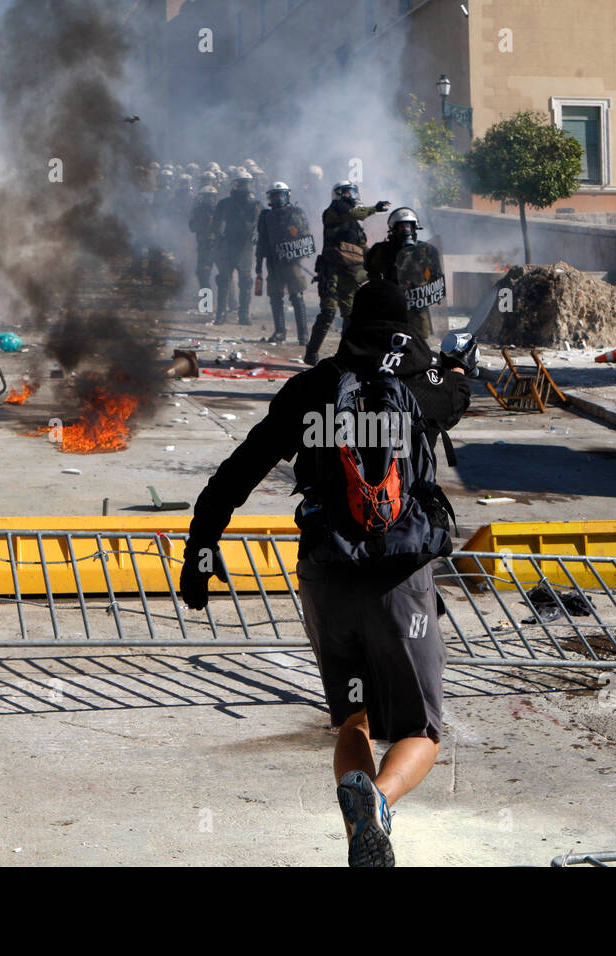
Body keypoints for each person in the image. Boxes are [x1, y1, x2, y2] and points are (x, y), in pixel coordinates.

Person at [179, 280, 475, 866]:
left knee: (353, 717)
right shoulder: (423, 386)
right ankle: (382, 803)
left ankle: (363, 832)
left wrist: (200, 551)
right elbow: (457, 397)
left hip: (326, 575)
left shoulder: (311, 390)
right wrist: (456, 368)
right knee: (420, 731)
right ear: (409, 329)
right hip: (399, 578)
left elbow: (235, 474)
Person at [303, 181, 390, 365]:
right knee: (328, 312)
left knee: (350, 316)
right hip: (331, 270)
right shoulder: (334, 211)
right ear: (338, 195)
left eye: (352, 192)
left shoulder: (356, 227)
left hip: (351, 273)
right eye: (346, 193)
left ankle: (345, 356)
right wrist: (374, 209)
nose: (349, 196)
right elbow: (351, 213)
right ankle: (311, 353)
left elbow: (362, 248)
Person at [364, 207, 445, 343]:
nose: (406, 230)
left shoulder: (425, 250)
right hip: (393, 298)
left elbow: (436, 274)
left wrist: (435, 292)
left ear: (415, 228)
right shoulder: (383, 250)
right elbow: (371, 271)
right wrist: (380, 289)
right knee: (393, 335)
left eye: (409, 226)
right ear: (394, 229)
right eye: (402, 227)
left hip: (418, 298)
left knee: (420, 337)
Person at [255, 181, 314, 345]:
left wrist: (295, 251)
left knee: (296, 296)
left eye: (280, 195)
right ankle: (280, 332)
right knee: (275, 296)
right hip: (273, 262)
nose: (278, 199)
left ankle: (303, 335)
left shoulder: (296, 213)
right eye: (274, 196)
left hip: (291, 262)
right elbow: (262, 241)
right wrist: (259, 264)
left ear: (287, 196)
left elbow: (305, 236)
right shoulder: (265, 216)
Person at [211, 174, 260, 326]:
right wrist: (217, 238)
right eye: (241, 184)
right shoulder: (224, 203)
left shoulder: (255, 204)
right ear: (235, 185)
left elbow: (260, 224)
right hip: (227, 245)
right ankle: (221, 314)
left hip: (245, 247)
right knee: (224, 280)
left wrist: (256, 237)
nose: (244, 187)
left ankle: (243, 315)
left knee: (245, 282)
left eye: (246, 184)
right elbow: (216, 223)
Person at [188, 184, 220, 309]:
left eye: (212, 197)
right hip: (204, 247)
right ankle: (206, 305)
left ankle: (231, 303)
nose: (210, 200)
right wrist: (202, 221)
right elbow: (192, 227)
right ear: (202, 198)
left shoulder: (220, 210)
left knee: (225, 275)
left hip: (219, 246)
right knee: (203, 274)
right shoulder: (197, 211)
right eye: (207, 197)